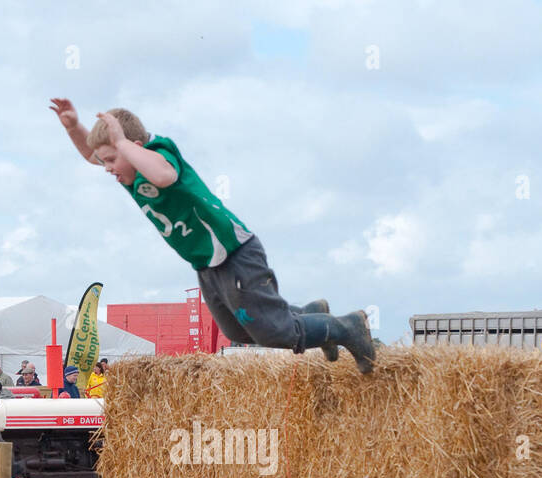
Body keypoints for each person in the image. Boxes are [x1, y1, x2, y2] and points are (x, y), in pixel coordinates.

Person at [49, 99, 376, 373]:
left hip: (234, 253)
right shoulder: (130, 174)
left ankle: (346, 327)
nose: (106, 167)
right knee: (235, 329)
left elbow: (164, 176)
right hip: (207, 263)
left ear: (134, 147)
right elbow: (93, 155)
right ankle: (308, 314)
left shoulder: (160, 153)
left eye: (111, 159)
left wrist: (120, 143)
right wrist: (72, 128)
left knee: (274, 332)